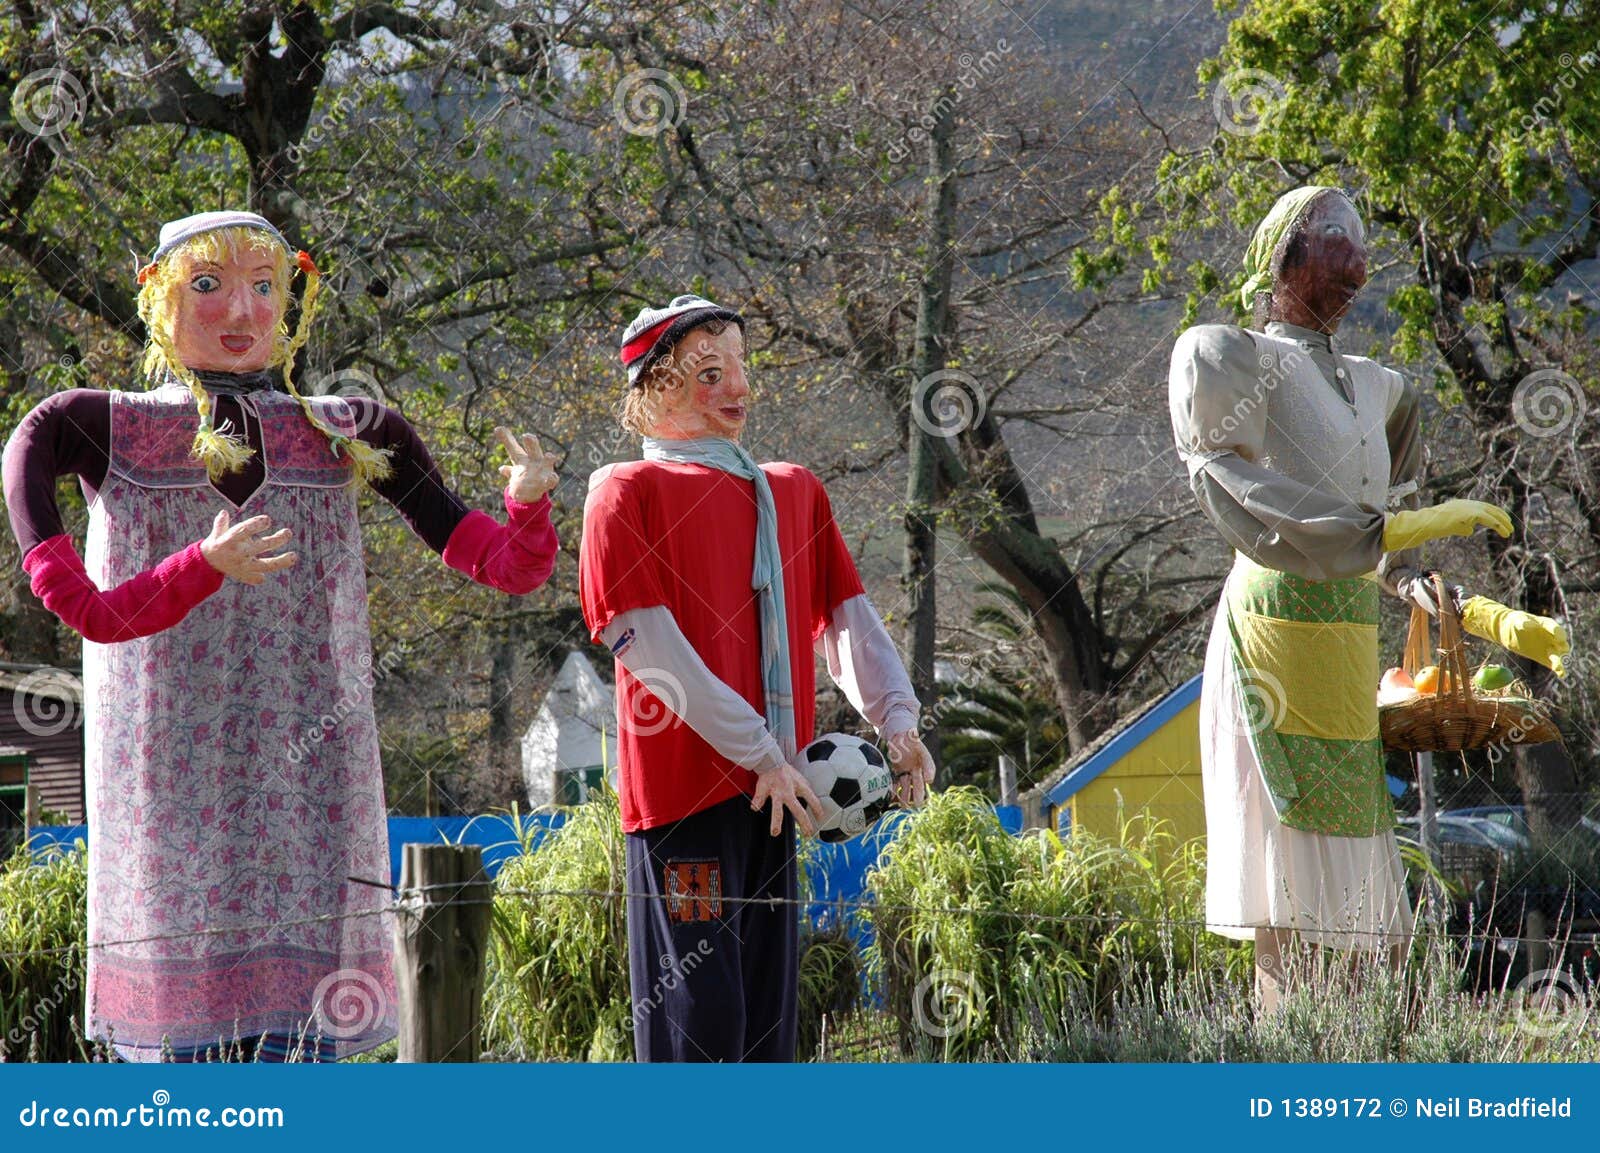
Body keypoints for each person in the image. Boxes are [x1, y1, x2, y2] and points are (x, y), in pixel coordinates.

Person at [1, 210, 561, 1061]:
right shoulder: (93, 425)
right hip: (168, 775)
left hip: (312, 779)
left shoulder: (345, 428)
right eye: (209, 285)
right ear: (158, 297)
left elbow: (505, 565)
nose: (242, 309)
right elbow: (94, 615)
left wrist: (528, 503)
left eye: (265, 286)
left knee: (304, 1045)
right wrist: (204, 562)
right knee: (185, 1053)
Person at [1166, 186, 1567, 1011]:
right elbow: (1247, 491)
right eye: (1337, 239)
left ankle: (1357, 1070)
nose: (1359, 258)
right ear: (1287, 257)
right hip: (1271, 643)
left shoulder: (1382, 388)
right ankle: (1284, 1069)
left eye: (1360, 242)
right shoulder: (1233, 356)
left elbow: (1388, 555)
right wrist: (1386, 532)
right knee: (1290, 899)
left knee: (1358, 894)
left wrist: (1480, 614)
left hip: (1346, 645)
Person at [579, 294, 935, 1061]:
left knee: (771, 1020)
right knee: (697, 1018)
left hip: (778, 796)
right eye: (711, 373)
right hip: (686, 804)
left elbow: (844, 617)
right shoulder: (621, 494)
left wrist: (897, 721)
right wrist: (760, 749)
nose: (738, 389)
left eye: (741, 367)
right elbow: (653, 653)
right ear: (655, 390)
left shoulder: (792, 490)